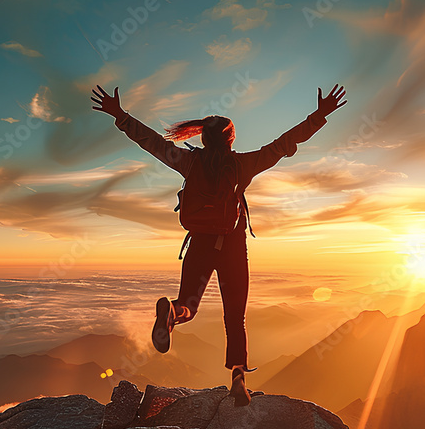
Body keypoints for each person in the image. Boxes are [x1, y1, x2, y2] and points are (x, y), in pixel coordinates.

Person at [92, 83, 347, 405]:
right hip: (232, 247)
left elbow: (153, 144)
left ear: (202, 138)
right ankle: (238, 379)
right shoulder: (243, 165)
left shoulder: (188, 163)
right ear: (231, 139)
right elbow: (284, 145)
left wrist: (120, 116)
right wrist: (320, 115)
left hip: (199, 242)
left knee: (190, 305)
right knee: (234, 317)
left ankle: (172, 311)